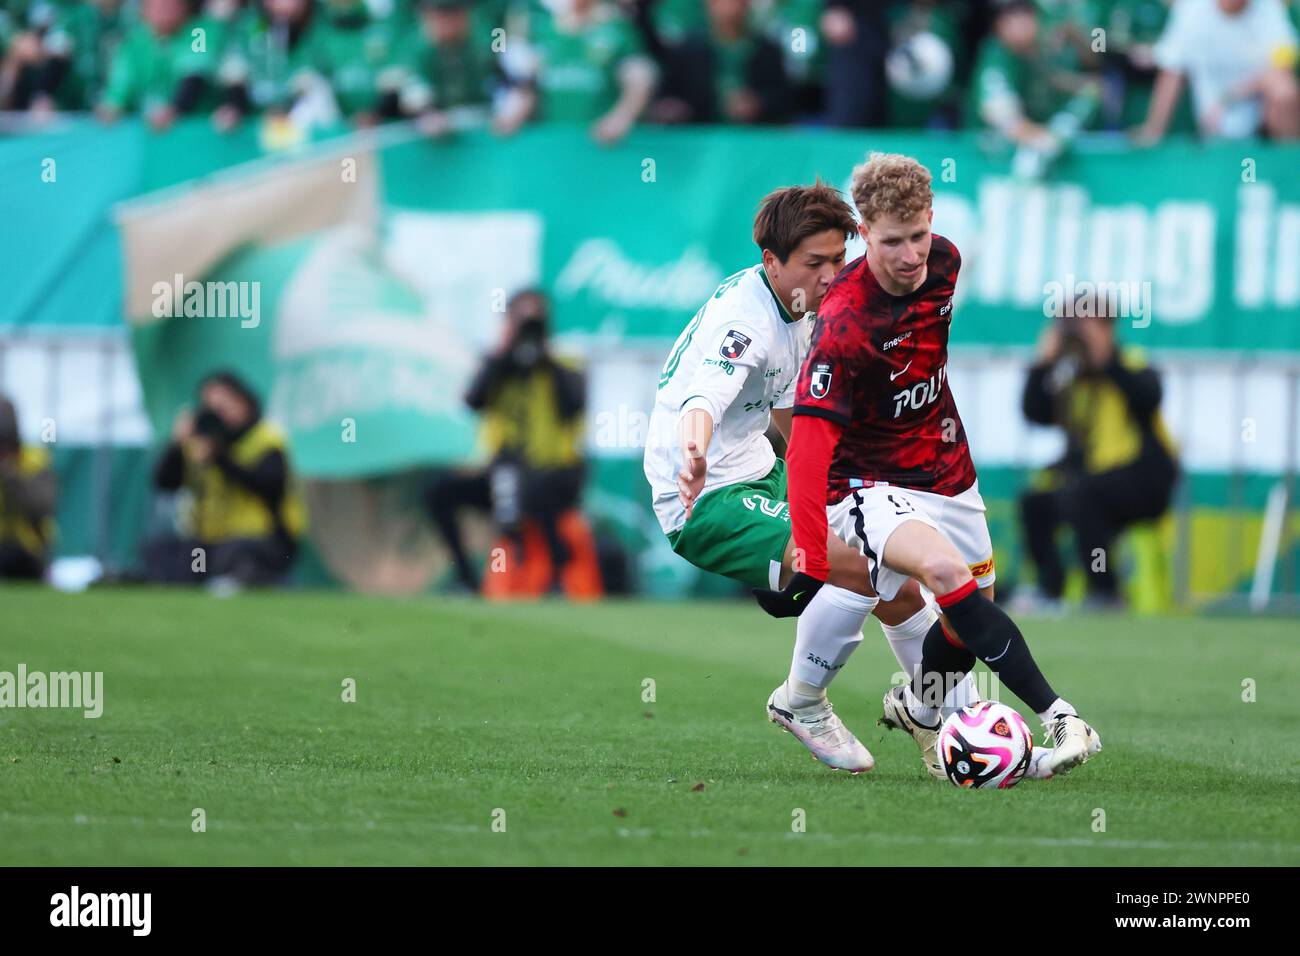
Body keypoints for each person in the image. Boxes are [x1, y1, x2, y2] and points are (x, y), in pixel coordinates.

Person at [760, 152, 1101, 780]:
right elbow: (807, 445)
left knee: (968, 620)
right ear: (865, 236)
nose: (911, 254)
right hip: (866, 481)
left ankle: (921, 708)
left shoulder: (945, 260)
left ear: (931, 223)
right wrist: (809, 546)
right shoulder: (842, 321)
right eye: (892, 242)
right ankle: (1061, 714)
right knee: (945, 573)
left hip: (946, 468)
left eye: (918, 235)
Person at [644, 182, 994, 775]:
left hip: (760, 468)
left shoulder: (803, 306)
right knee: (855, 564)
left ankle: (959, 729)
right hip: (705, 495)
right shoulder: (746, 320)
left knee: (902, 590)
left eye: (839, 258)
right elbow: (704, 396)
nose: (831, 275)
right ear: (771, 262)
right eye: (815, 263)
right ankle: (801, 701)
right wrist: (696, 451)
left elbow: (792, 419)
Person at [428, 290, 586, 594]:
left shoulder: (563, 362)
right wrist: (502, 357)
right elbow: (471, 402)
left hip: (553, 474)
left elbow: (574, 406)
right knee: (439, 491)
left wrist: (545, 358)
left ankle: (555, 579)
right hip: (503, 474)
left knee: (530, 489)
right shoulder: (498, 363)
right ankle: (467, 579)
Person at [1018, 311, 1178, 608]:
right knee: (1036, 503)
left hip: (1146, 481)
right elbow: (1035, 412)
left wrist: (1105, 357)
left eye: (1087, 324)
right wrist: (1043, 363)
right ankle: (1050, 591)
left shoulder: (1131, 362)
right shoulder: (1072, 376)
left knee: (1086, 495)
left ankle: (1105, 591)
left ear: (1109, 327)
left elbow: (1148, 396)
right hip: (1094, 482)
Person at [141, 371, 305, 586]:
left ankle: (244, 580)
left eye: (223, 407)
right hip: (208, 542)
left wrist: (220, 458)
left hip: (262, 540)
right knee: (163, 551)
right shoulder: (198, 444)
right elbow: (165, 483)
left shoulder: (265, 438)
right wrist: (176, 443)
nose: (219, 416)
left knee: (238, 554)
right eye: (210, 408)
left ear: (244, 403)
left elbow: (269, 486)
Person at [1134, 0, 1299, 144]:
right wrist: (1154, 129)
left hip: (1261, 128)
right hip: (1211, 129)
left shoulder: (1269, 9)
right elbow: (1172, 72)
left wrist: (1228, 98)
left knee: (1283, 91)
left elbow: (1282, 72)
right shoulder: (1190, 10)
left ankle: (1289, 164)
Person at [495, 0, 657, 143]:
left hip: (602, 143)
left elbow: (640, 80)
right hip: (553, 142)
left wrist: (621, 117)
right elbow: (529, 87)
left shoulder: (618, 29)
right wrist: (513, 114)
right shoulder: (542, 32)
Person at [639, 0, 793, 126]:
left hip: (753, 140)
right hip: (702, 138)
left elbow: (786, 99)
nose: (728, 7)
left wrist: (758, 103)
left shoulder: (767, 50)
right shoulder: (687, 50)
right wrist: (672, 109)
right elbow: (669, 97)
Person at [0, 396, 56, 581]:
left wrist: (12, 478)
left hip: (28, 550)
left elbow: (42, 507)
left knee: (12, 556)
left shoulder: (35, 459)